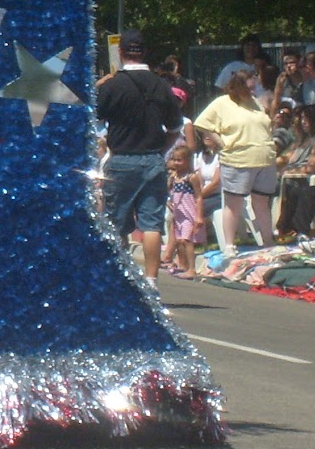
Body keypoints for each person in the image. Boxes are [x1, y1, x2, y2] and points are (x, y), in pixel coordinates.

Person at [95, 29, 182, 279]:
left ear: (120, 52)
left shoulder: (112, 85)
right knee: (152, 225)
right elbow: (175, 128)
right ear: (145, 52)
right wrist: (161, 151)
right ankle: (151, 280)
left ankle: (119, 278)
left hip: (121, 159)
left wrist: (98, 86)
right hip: (153, 158)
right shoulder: (161, 85)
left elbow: (92, 117)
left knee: (115, 224)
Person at [193, 66, 279, 249]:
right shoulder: (222, 103)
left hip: (264, 160)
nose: (252, 92)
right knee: (234, 204)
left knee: (262, 202)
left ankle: (268, 243)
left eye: (254, 88)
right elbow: (201, 123)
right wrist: (221, 142)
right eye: (248, 88)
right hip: (238, 160)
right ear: (237, 87)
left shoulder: (255, 103)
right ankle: (230, 245)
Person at [276, 103, 315, 237]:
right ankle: (279, 228)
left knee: (291, 189)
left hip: (302, 180)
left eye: (307, 119)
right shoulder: (302, 140)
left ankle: (285, 228)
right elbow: (285, 158)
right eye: (302, 118)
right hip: (288, 178)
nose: (303, 122)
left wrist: (288, 173)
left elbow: (311, 167)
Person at [165, 143, 203, 276]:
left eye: (179, 160)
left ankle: (192, 269)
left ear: (187, 161)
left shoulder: (191, 177)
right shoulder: (174, 177)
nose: (176, 163)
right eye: (174, 159)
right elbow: (170, 193)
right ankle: (183, 265)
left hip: (188, 212)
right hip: (178, 213)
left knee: (187, 240)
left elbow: (198, 197)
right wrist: (169, 202)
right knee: (179, 240)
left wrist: (199, 216)